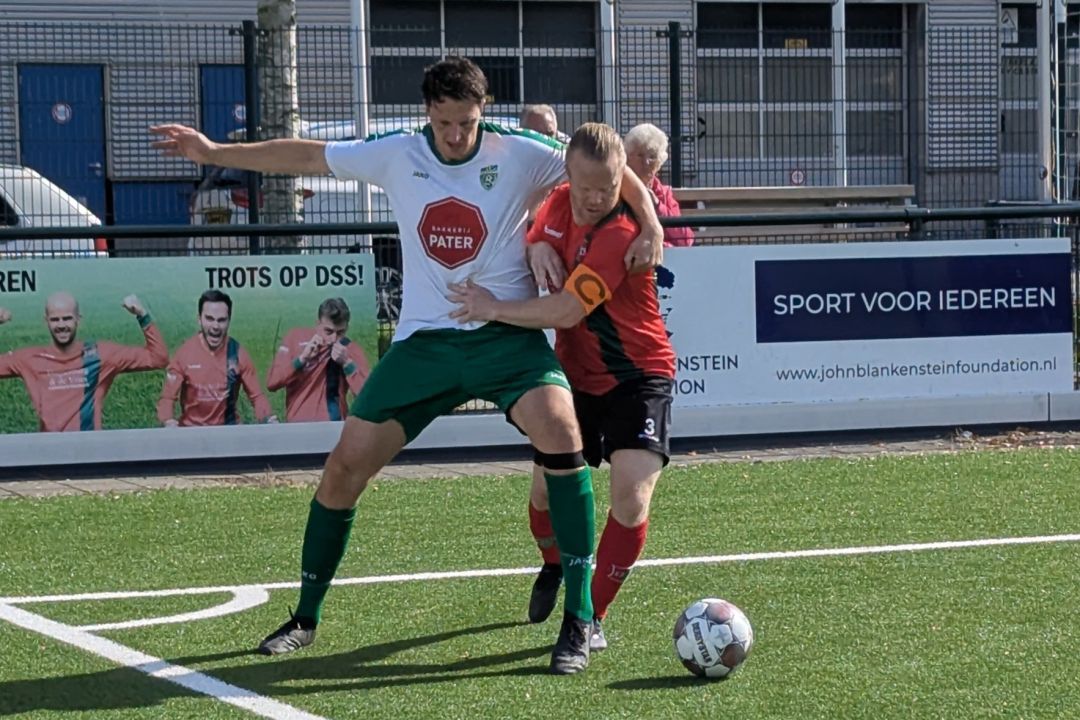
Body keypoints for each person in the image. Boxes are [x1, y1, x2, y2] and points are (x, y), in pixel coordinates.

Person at [150, 55, 664, 675]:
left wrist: (652, 220)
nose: (457, 135)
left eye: (468, 122)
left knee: (562, 433)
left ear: (484, 111)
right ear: (428, 114)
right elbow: (308, 156)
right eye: (446, 123)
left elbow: (601, 165)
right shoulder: (395, 151)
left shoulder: (519, 149)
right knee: (343, 467)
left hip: (503, 336)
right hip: (423, 343)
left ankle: (580, 619)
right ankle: (305, 617)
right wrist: (214, 151)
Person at [448, 122, 676, 653]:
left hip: (638, 377)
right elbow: (539, 231)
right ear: (566, 176)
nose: (597, 198)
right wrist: (533, 246)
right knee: (542, 496)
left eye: (608, 187)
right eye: (587, 187)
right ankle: (554, 565)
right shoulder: (552, 205)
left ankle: (588, 614)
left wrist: (494, 307)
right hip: (572, 378)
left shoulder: (621, 231)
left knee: (631, 499)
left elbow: (569, 309)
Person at [0, 293, 167, 432]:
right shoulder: (29, 359)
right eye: (55, 320)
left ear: (78, 319)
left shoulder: (100, 355)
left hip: (89, 451)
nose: (61, 325)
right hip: (49, 452)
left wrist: (142, 315)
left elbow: (158, 358)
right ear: (46, 321)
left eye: (67, 319)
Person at [156, 289, 277, 427]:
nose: (215, 326)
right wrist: (168, 421)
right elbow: (167, 398)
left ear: (229, 321)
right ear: (199, 319)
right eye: (209, 319)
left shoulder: (237, 353)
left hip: (229, 432)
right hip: (192, 433)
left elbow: (257, 397)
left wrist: (268, 418)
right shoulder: (184, 354)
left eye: (221, 320)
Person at [266, 297, 371, 423]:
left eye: (340, 332)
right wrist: (302, 359)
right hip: (298, 427)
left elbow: (367, 399)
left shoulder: (350, 349)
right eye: (328, 331)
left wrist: (347, 364)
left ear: (347, 327)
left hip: (333, 426)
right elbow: (272, 383)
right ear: (317, 324)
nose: (333, 338)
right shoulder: (295, 338)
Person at [625, 123, 694, 247]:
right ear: (628, 158)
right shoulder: (619, 190)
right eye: (640, 155)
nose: (646, 162)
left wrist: (657, 204)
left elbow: (685, 240)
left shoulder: (663, 193)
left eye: (652, 157)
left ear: (659, 163)